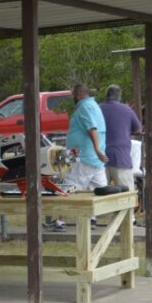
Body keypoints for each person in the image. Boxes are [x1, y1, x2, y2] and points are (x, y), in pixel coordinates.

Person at [48, 84, 107, 231]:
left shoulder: (84, 108)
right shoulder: (94, 105)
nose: (73, 97)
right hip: (91, 157)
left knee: (68, 186)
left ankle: (60, 221)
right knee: (97, 188)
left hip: (81, 156)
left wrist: (97, 149)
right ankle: (92, 218)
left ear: (78, 95)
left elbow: (92, 128)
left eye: (73, 94)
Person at [99, 84, 142, 190]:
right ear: (119, 97)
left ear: (106, 96)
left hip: (99, 157)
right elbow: (138, 129)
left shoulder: (98, 109)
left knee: (101, 196)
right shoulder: (127, 110)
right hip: (120, 157)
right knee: (126, 194)